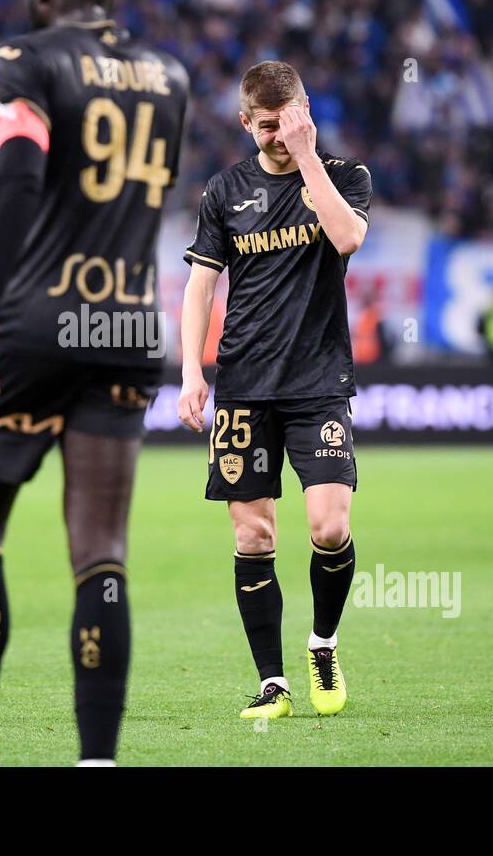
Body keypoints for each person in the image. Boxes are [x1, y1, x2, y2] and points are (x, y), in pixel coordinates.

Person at [0, 0, 189, 767]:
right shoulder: (173, 77)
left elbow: (15, 176)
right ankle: (97, 764)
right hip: (125, 327)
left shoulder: (28, 56)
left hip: (32, 326)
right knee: (102, 550)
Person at [177, 61, 370, 721]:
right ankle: (273, 683)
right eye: (267, 127)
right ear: (245, 122)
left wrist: (309, 157)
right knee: (253, 538)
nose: (280, 137)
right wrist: (189, 372)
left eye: (290, 123)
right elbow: (200, 285)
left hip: (318, 384)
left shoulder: (344, 178)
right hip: (243, 387)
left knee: (329, 525)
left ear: (306, 112)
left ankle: (323, 644)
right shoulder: (225, 191)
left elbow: (347, 238)